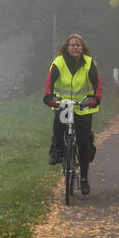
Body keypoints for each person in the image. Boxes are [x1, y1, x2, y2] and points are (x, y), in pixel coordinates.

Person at [43, 33, 102, 195]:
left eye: (78, 45)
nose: (75, 48)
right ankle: (57, 150)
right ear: (67, 48)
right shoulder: (58, 62)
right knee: (59, 126)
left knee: (83, 142)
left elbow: (97, 85)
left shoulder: (89, 63)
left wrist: (96, 99)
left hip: (83, 106)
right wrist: (49, 97)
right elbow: (50, 83)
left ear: (82, 48)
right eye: (72, 45)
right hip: (64, 104)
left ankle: (83, 178)